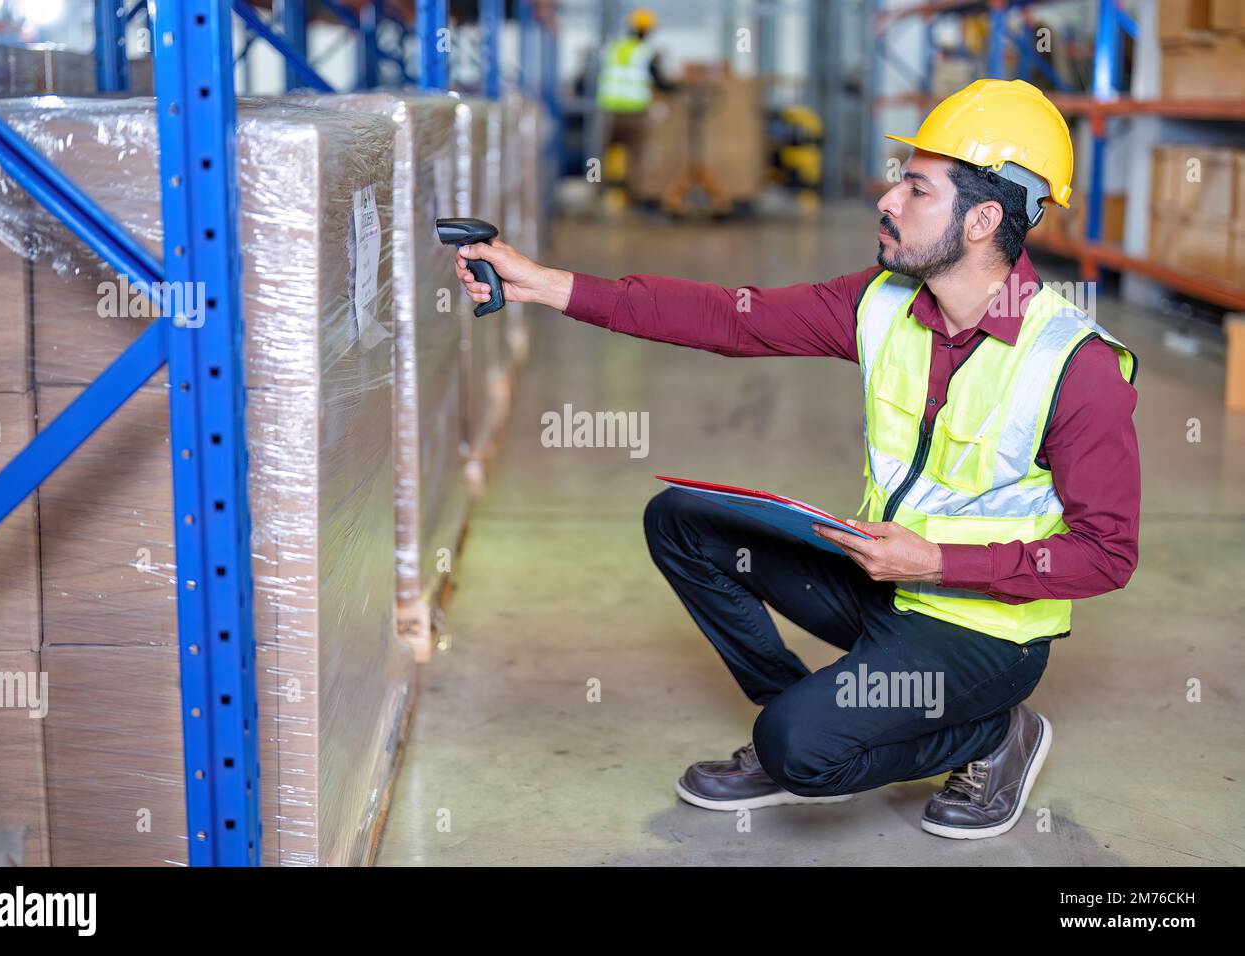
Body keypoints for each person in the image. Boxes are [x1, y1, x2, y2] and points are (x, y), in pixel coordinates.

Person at [449, 79, 1140, 840]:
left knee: (799, 755)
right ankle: (801, 713)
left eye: (914, 187)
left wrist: (939, 562)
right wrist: (545, 285)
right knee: (683, 520)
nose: (886, 199)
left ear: (982, 219)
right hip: (884, 583)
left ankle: (992, 735)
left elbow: (1106, 555)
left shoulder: (1076, 365)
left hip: (982, 634)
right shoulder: (883, 303)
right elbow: (727, 318)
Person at [593, 7, 677, 188]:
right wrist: (678, 89)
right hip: (634, 113)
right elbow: (660, 82)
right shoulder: (646, 52)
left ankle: (601, 190)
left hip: (609, 111)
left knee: (602, 154)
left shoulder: (612, 48)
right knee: (636, 156)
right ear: (647, 31)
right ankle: (634, 194)